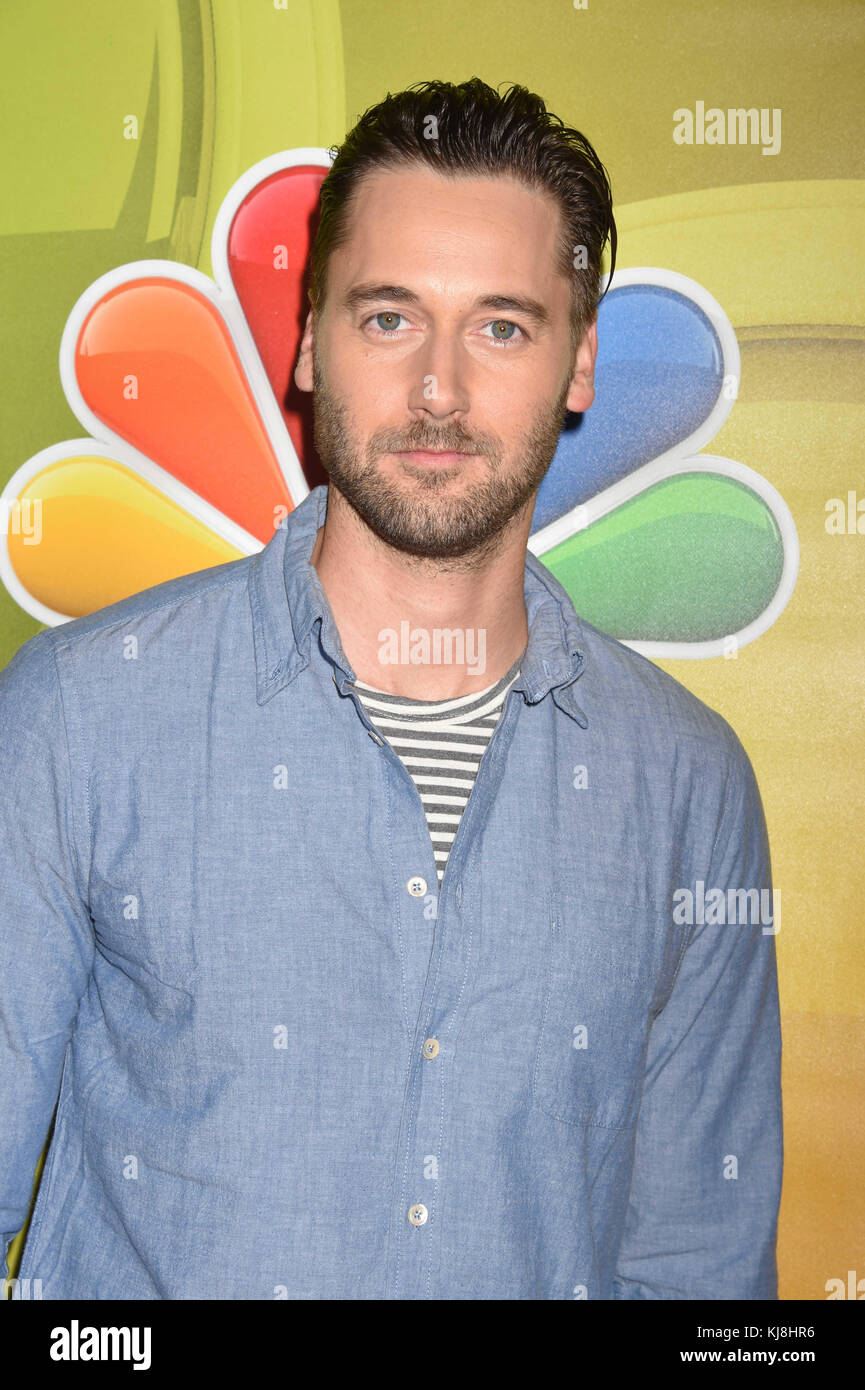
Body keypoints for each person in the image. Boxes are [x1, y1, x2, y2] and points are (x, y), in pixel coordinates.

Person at [0, 78, 781, 1301]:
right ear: (308, 343)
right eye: (388, 318)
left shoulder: (688, 786)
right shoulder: (77, 718)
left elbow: (698, 1271)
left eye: (502, 327)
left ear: (580, 365)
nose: (438, 390)